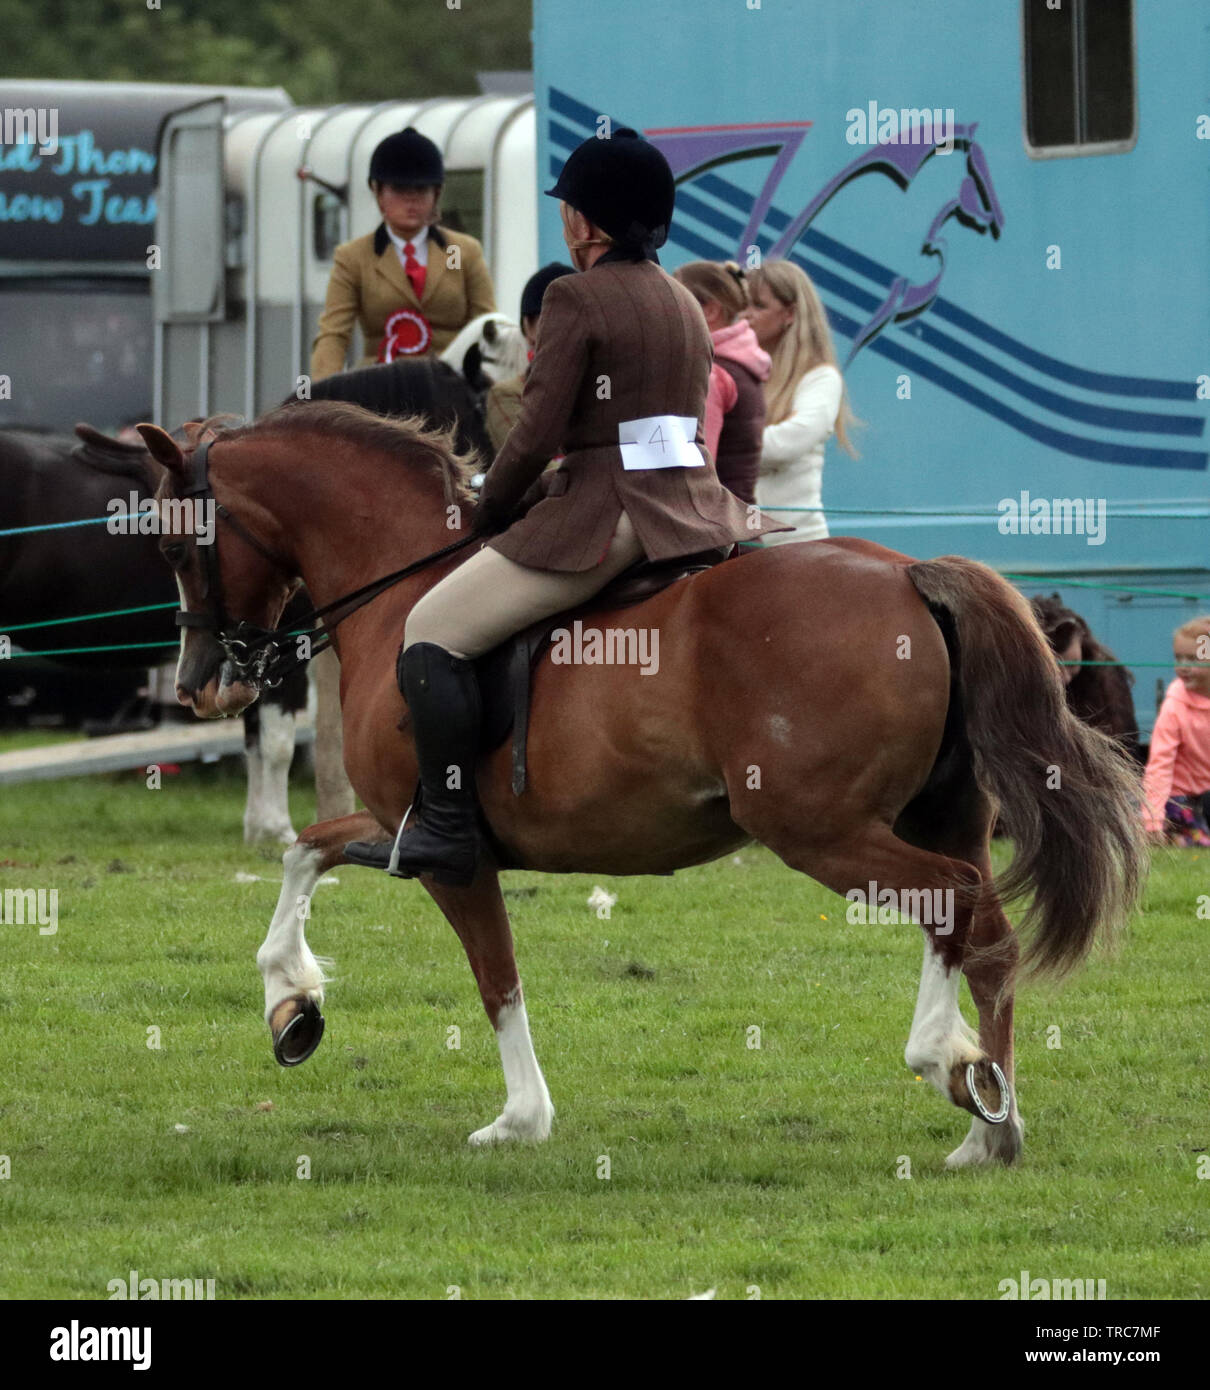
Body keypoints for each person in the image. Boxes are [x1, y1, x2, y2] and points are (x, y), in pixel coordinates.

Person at [345, 129, 789, 883]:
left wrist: (491, 508)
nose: (564, 221)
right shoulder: (683, 301)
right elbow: (645, 435)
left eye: (568, 209)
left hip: (607, 522)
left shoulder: (573, 296)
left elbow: (536, 433)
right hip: (686, 512)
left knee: (429, 629)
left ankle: (447, 824)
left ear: (586, 222)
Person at [310, 127, 496, 380]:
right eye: (399, 189)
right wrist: (323, 392)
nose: (411, 200)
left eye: (420, 190)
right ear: (377, 192)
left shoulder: (461, 251)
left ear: (436, 194)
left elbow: (487, 325)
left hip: (452, 382)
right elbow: (334, 334)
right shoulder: (353, 257)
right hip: (380, 382)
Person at [743, 260, 856, 543]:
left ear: (790, 314)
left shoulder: (821, 377)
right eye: (742, 304)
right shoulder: (735, 370)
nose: (745, 315)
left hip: (798, 549)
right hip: (740, 546)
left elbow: (787, 444)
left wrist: (718, 444)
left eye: (758, 306)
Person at [672, 260, 769, 506]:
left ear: (711, 311)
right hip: (737, 520)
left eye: (676, 300)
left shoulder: (713, 374)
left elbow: (700, 473)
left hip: (721, 529)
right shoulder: (738, 362)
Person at [484, 262, 575, 452]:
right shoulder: (508, 395)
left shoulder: (604, 387)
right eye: (552, 317)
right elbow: (525, 462)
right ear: (528, 327)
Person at [1142, 614, 1210, 847]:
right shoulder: (1173, 707)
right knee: (1196, 840)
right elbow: (1159, 766)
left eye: (1193, 658)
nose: (1183, 667)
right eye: (1178, 658)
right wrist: (1152, 819)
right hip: (1181, 798)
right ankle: (1173, 833)